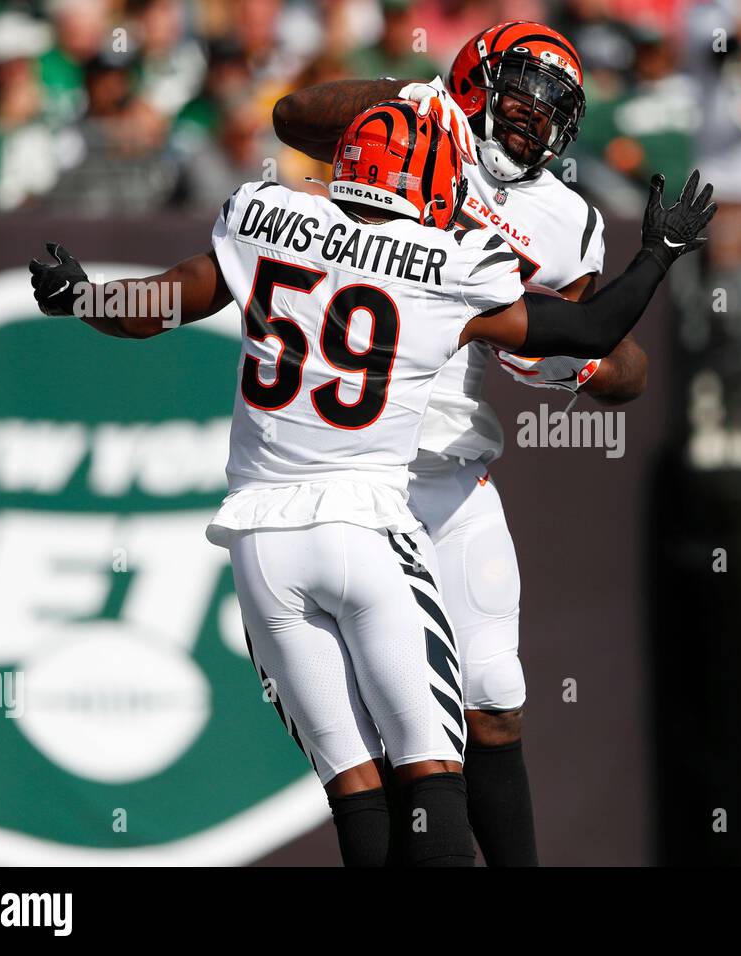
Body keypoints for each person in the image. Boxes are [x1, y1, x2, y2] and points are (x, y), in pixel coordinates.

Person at [27, 100, 714, 866]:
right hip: (368, 531)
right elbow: (587, 333)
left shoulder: (269, 215)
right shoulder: (449, 266)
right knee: (432, 780)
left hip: (260, 543)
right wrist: (659, 253)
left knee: (358, 795)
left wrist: (80, 296)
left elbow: (157, 306)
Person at [271, 20, 649, 865]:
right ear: (474, 82)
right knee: (399, 736)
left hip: (452, 473)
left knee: (496, 699)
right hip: (361, 477)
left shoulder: (561, 218)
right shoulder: (406, 127)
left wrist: (551, 354)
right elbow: (294, 116)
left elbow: (619, 364)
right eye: (520, 100)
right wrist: (415, 95)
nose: (533, 124)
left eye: (554, 114)